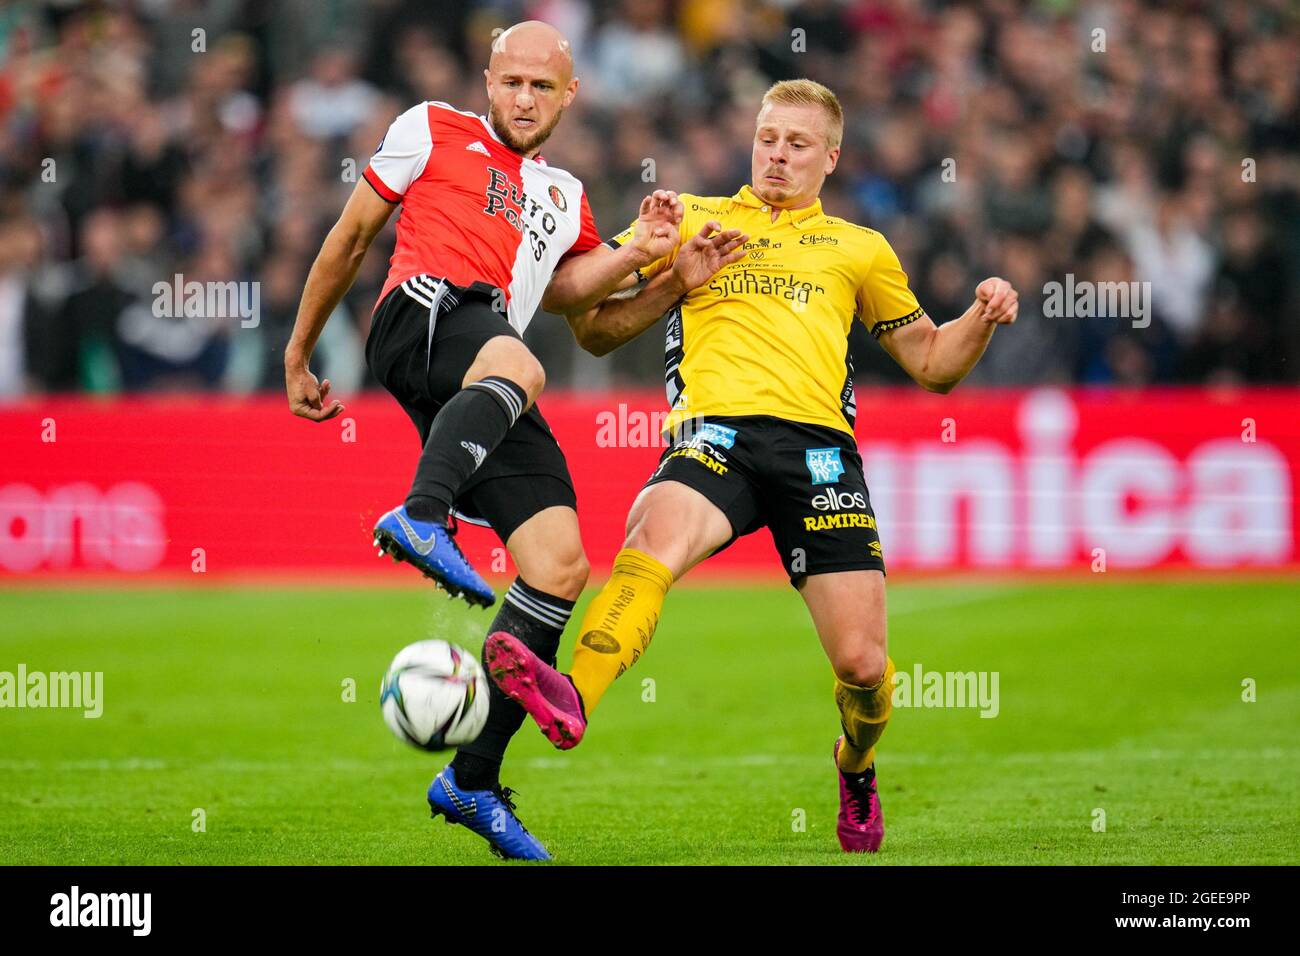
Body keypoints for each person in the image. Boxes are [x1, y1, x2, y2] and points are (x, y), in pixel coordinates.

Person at [485, 79, 1019, 853]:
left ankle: (856, 765)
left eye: (798, 144)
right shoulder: (687, 217)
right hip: (714, 436)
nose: (777, 154)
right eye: (768, 137)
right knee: (647, 549)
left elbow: (934, 363)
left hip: (819, 454)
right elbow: (593, 328)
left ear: (830, 157)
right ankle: (573, 695)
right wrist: (662, 267)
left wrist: (982, 316)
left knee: (864, 667)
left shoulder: (860, 250)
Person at [283, 21, 685, 861]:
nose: (524, 99)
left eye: (542, 87)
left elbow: (591, 316)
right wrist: (297, 351)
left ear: (569, 95)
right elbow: (352, 237)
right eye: (511, 83)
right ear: (488, 81)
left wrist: (654, 261)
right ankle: (422, 515)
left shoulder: (565, 195)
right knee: (518, 359)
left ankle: (471, 777)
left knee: (561, 563)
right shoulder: (431, 127)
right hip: (421, 312)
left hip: (484, 371)